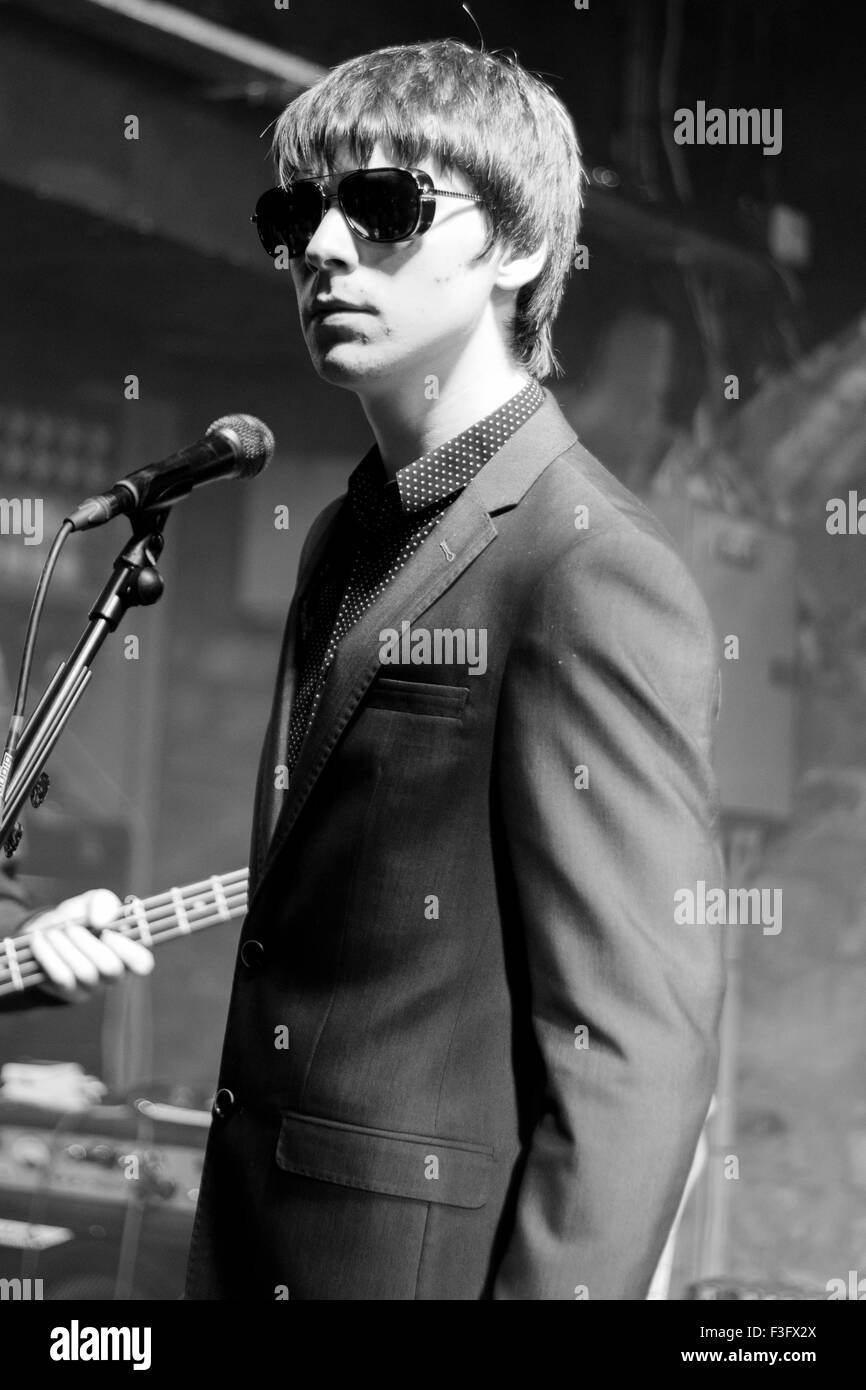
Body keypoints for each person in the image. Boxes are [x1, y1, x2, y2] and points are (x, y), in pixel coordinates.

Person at [182, 38, 726, 1301]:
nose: (320, 247)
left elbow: (634, 1052)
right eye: (297, 213)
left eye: (381, 209)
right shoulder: (341, 536)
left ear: (522, 249)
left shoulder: (588, 568)